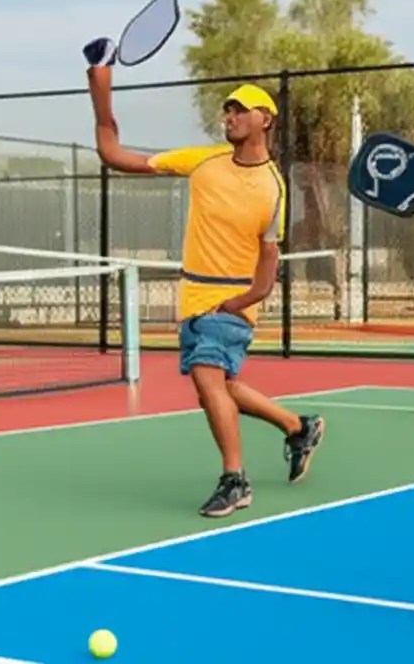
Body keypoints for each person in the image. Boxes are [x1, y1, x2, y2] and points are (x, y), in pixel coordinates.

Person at [82, 36, 324, 518]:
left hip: (230, 306)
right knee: (218, 387)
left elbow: (268, 264)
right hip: (192, 299)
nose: (229, 115)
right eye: (227, 109)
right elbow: (113, 152)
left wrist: (241, 302)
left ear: (265, 119)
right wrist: (100, 81)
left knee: (208, 377)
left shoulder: (273, 188)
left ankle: (235, 481)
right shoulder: (203, 160)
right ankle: (298, 427)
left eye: (240, 109)